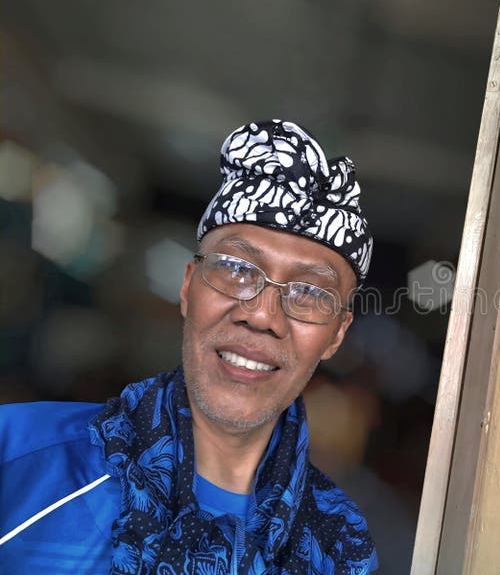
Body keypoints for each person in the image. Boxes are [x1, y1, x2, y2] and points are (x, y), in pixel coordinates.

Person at [0, 119, 378, 574]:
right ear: (187, 288)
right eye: (237, 269)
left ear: (336, 335)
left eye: (310, 293)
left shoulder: (339, 546)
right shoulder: (23, 458)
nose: (261, 315)